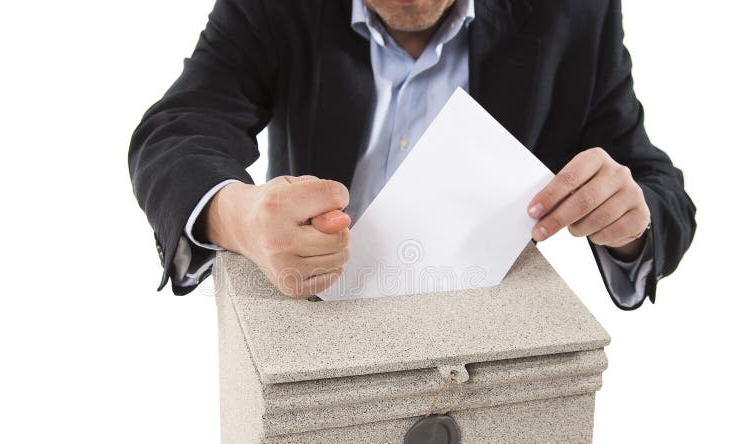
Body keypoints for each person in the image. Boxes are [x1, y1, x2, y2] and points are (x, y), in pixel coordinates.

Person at [128, 0, 696, 309]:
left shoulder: (576, 12)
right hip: (318, 316)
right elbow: (177, 130)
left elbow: (657, 186)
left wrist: (629, 221)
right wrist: (239, 217)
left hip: (485, 332)